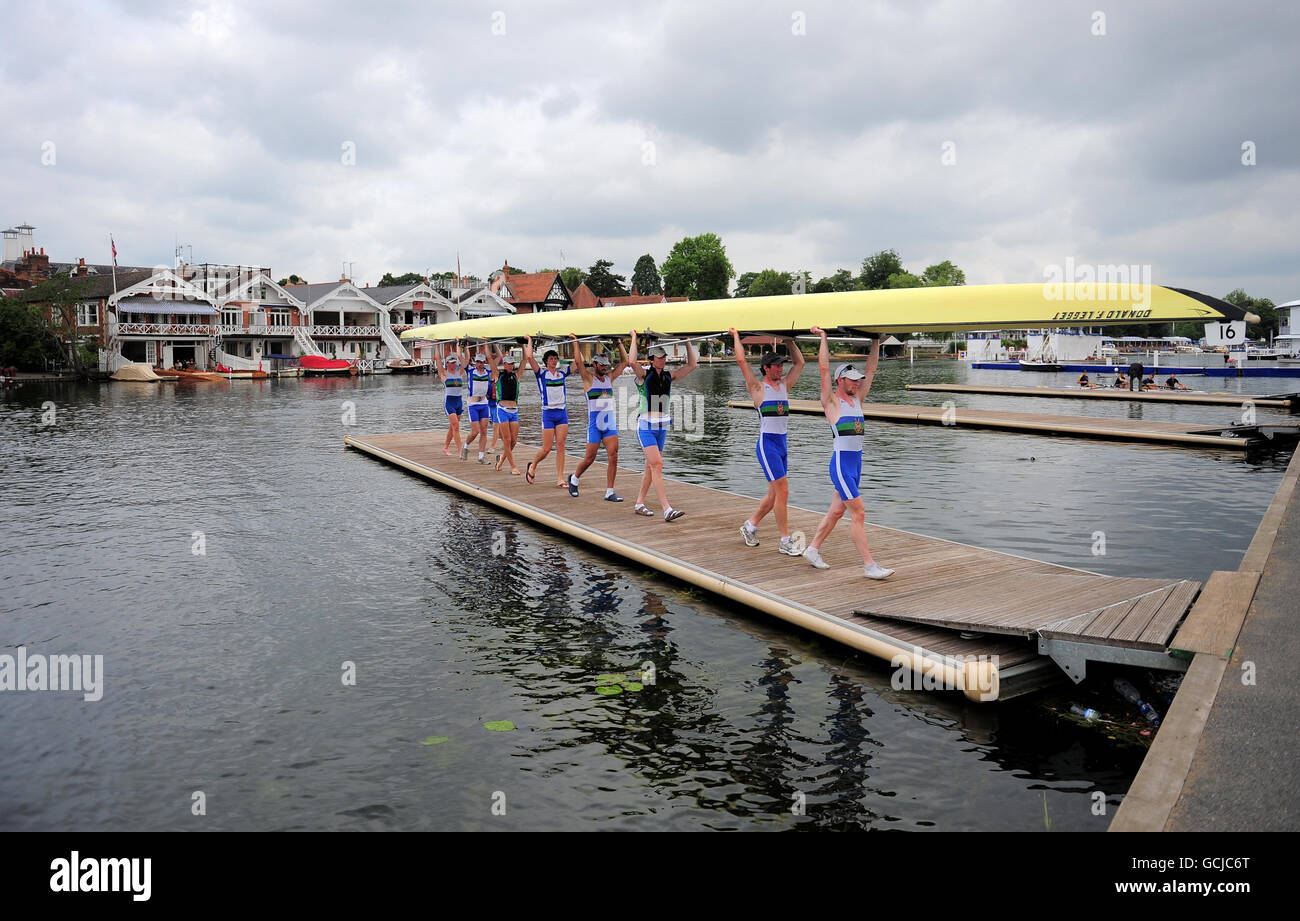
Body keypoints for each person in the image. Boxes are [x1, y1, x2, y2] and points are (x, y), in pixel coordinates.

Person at [802, 326, 893, 580]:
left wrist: (875, 341)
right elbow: (822, 369)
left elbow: (872, 369)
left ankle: (812, 549)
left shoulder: (857, 399)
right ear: (841, 380)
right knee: (859, 513)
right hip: (841, 464)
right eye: (853, 379)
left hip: (856, 464)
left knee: (837, 511)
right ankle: (869, 566)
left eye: (858, 380)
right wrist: (823, 337)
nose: (857, 382)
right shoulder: (832, 402)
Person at [731, 329, 805, 554]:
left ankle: (750, 526)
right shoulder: (757, 388)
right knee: (783, 491)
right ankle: (784, 541)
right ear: (766, 367)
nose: (781, 368)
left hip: (782, 443)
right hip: (767, 444)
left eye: (782, 365)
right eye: (776, 365)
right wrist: (735, 336)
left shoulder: (785, 385)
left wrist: (790, 342)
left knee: (775, 494)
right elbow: (741, 360)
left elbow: (800, 363)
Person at [629, 330, 697, 521]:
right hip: (646, 426)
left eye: (664, 356)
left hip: (662, 426)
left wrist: (687, 340)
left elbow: (692, 365)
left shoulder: (669, 376)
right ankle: (667, 509)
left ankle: (639, 503)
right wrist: (634, 337)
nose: (663, 359)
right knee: (657, 464)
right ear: (651, 360)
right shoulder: (644, 376)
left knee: (651, 467)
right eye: (659, 357)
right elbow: (632, 362)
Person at [567, 335, 631, 501]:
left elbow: (625, 363)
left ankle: (610, 492)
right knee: (590, 458)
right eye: (601, 365)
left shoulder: (609, 378)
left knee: (614, 455)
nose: (604, 368)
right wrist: (576, 342)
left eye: (605, 365)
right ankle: (574, 479)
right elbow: (579, 363)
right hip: (595, 424)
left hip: (609, 423)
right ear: (595, 364)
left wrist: (619, 344)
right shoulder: (588, 379)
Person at [524, 335, 572, 487]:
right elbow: (530, 357)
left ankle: (560, 478)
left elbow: (578, 362)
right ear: (546, 361)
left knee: (561, 445)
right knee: (546, 448)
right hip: (548, 414)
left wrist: (575, 341)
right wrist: (529, 340)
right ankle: (533, 465)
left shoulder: (562, 374)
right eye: (551, 358)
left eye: (555, 358)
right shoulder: (541, 374)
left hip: (562, 413)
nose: (554, 360)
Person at [490, 346, 522, 475]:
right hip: (502, 410)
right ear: (505, 364)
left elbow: (525, 361)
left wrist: (525, 345)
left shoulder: (516, 376)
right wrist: (487, 344)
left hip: (514, 411)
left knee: (514, 441)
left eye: (513, 364)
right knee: (507, 440)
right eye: (509, 364)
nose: (512, 366)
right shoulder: (499, 375)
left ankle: (501, 460)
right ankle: (513, 466)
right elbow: (490, 361)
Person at [461, 350, 493, 463]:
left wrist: (488, 345)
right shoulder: (470, 371)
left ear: (484, 362)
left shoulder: (488, 372)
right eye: (478, 362)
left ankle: (481, 456)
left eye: (482, 362)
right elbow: (462, 358)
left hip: (484, 403)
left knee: (484, 431)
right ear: (475, 362)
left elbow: (498, 358)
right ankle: (466, 446)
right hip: (473, 404)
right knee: (475, 432)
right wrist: (461, 347)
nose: (480, 364)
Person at [438, 343, 466, 457]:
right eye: (452, 362)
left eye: (455, 362)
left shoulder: (460, 372)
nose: (454, 364)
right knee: (456, 426)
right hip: (449, 402)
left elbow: (465, 362)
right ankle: (460, 451)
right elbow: (438, 362)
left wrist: (460, 346)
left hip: (459, 402)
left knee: (452, 427)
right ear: (447, 364)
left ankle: (445, 447)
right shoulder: (444, 373)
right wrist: (437, 345)